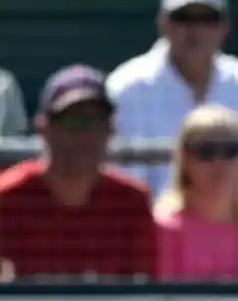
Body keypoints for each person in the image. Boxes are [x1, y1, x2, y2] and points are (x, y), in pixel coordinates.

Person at [107, 0, 238, 197]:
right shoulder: (126, 88)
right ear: (162, 23)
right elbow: (124, 181)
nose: (196, 30)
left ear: (225, 26)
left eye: (207, 19)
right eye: (184, 18)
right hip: (150, 226)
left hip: (234, 225)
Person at [0, 65, 157, 282]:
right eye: (73, 122)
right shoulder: (7, 199)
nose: (86, 136)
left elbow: (143, 293)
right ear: (43, 128)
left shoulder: (131, 202)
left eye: (97, 122)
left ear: (111, 131)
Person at [153, 104, 238, 282]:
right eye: (206, 151)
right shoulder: (163, 229)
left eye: (232, 151)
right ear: (185, 160)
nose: (220, 163)